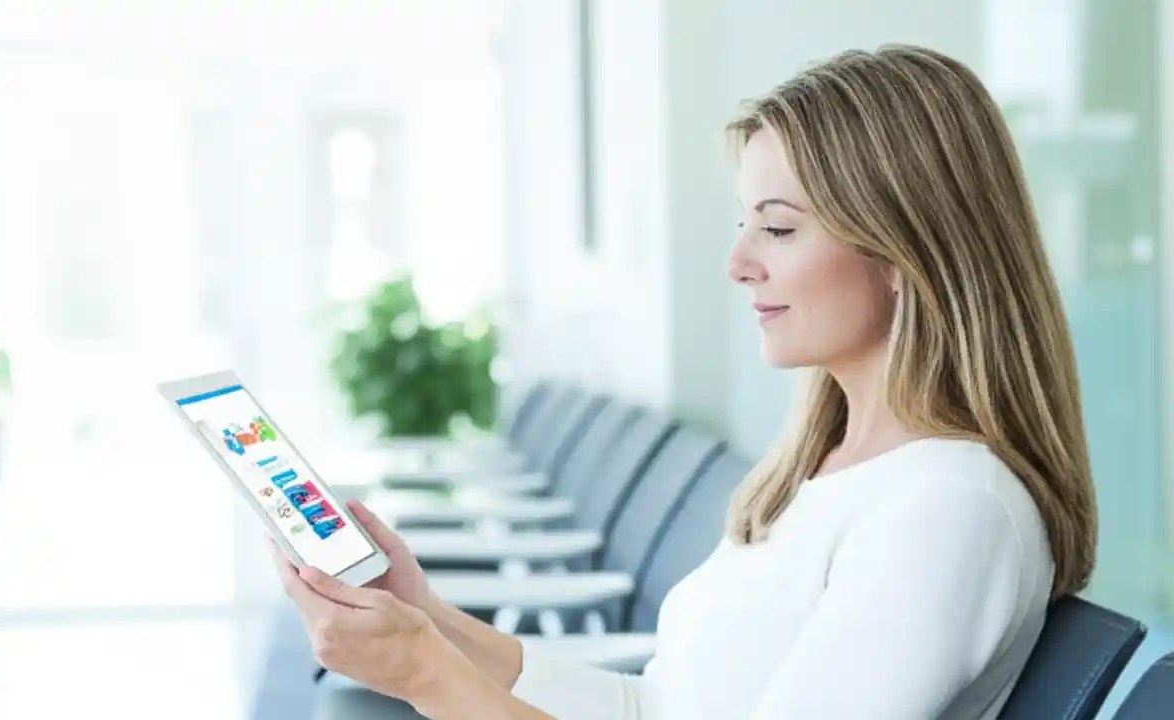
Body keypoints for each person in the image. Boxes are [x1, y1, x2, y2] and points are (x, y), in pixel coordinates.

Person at [272, 44, 1097, 719]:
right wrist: (432, 623)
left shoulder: (947, 512)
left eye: (778, 228)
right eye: (746, 224)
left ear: (904, 250)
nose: (739, 263)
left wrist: (425, 675)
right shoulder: (830, 472)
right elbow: (653, 706)